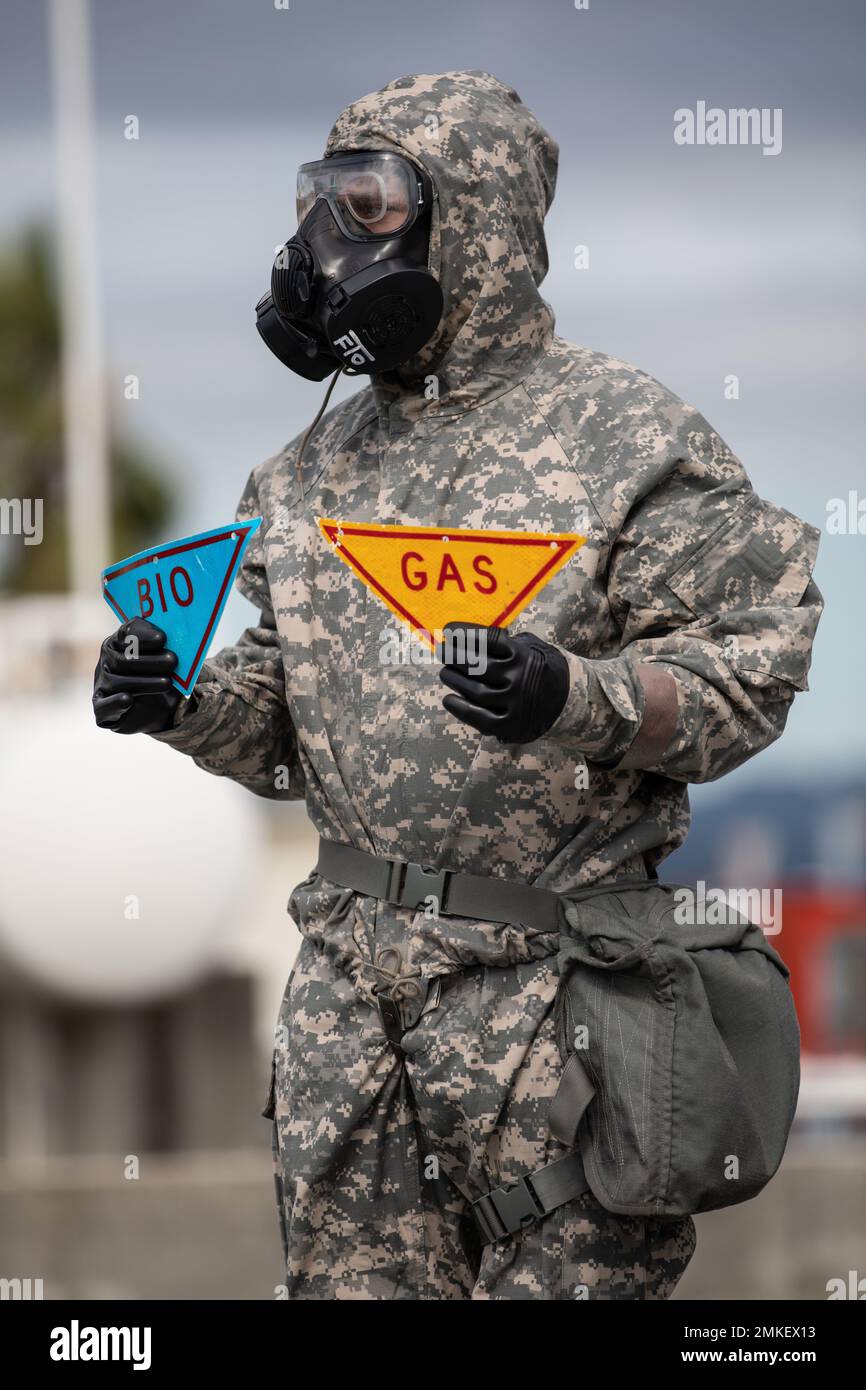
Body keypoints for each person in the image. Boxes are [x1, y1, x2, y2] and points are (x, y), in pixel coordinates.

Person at [93, 70, 823, 1300]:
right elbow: (285, 737)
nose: (325, 241)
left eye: (369, 204)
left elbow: (752, 667)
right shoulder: (300, 474)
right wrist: (184, 707)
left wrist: (572, 698)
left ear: (469, 217)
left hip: (552, 1011)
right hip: (348, 1007)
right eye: (319, 201)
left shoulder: (628, 439)